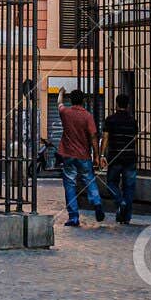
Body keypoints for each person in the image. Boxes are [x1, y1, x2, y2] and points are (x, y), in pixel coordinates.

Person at [55, 89, 104, 227]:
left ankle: (74, 217)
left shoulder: (66, 113)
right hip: (84, 155)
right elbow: (93, 136)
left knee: (70, 184)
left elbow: (59, 103)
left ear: (71, 100)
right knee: (89, 179)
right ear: (83, 101)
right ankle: (97, 202)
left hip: (68, 154)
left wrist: (61, 93)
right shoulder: (87, 116)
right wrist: (97, 155)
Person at [99, 93, 138, 225]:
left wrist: (102, 155)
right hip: (130, 157)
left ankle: (119, 200)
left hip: (115, 157)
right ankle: (125, 217)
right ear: (128, 105)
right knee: (129, 187)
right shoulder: (133, 121)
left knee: (111, 183)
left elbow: (105, 138)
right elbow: (134, 139)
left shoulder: (110, 120)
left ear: (116, 104)